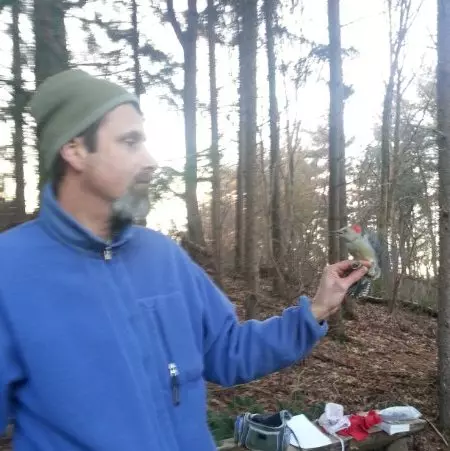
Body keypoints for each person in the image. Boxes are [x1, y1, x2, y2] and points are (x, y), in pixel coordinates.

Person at [0, 69, 369, 451]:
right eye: (130, 142)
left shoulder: (163, 257)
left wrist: (318, 309)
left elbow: (228, 351)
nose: (150, 160)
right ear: (75, 149)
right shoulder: (10, 273)